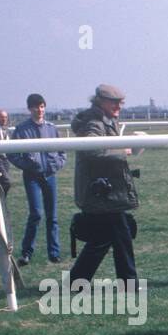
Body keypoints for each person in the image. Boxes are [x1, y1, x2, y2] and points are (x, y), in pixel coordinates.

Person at [69, 84, 139, 284]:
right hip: (103, 192)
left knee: (102, 239)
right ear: (100, 101)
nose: (118, 106)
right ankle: (129, 282)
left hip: (104, 190)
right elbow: (92, 150)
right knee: (121, 235)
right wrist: (123, 150)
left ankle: (76, 281)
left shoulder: (103, 119)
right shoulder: (95, 122)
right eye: (114, 102)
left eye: (120, 103)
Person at [9, 93, 65, 266]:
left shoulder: (51, 128)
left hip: (49, 176)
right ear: (29, 109)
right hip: (32, 177)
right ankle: (26, 252)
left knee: (52, 216)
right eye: (36, 107)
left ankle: (54, 253)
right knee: (36, 214)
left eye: (42, 106)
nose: (39, 110)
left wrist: (57, 164)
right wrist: (25, 165)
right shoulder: (22, 129)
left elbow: (63, 151)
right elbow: (12, 153)